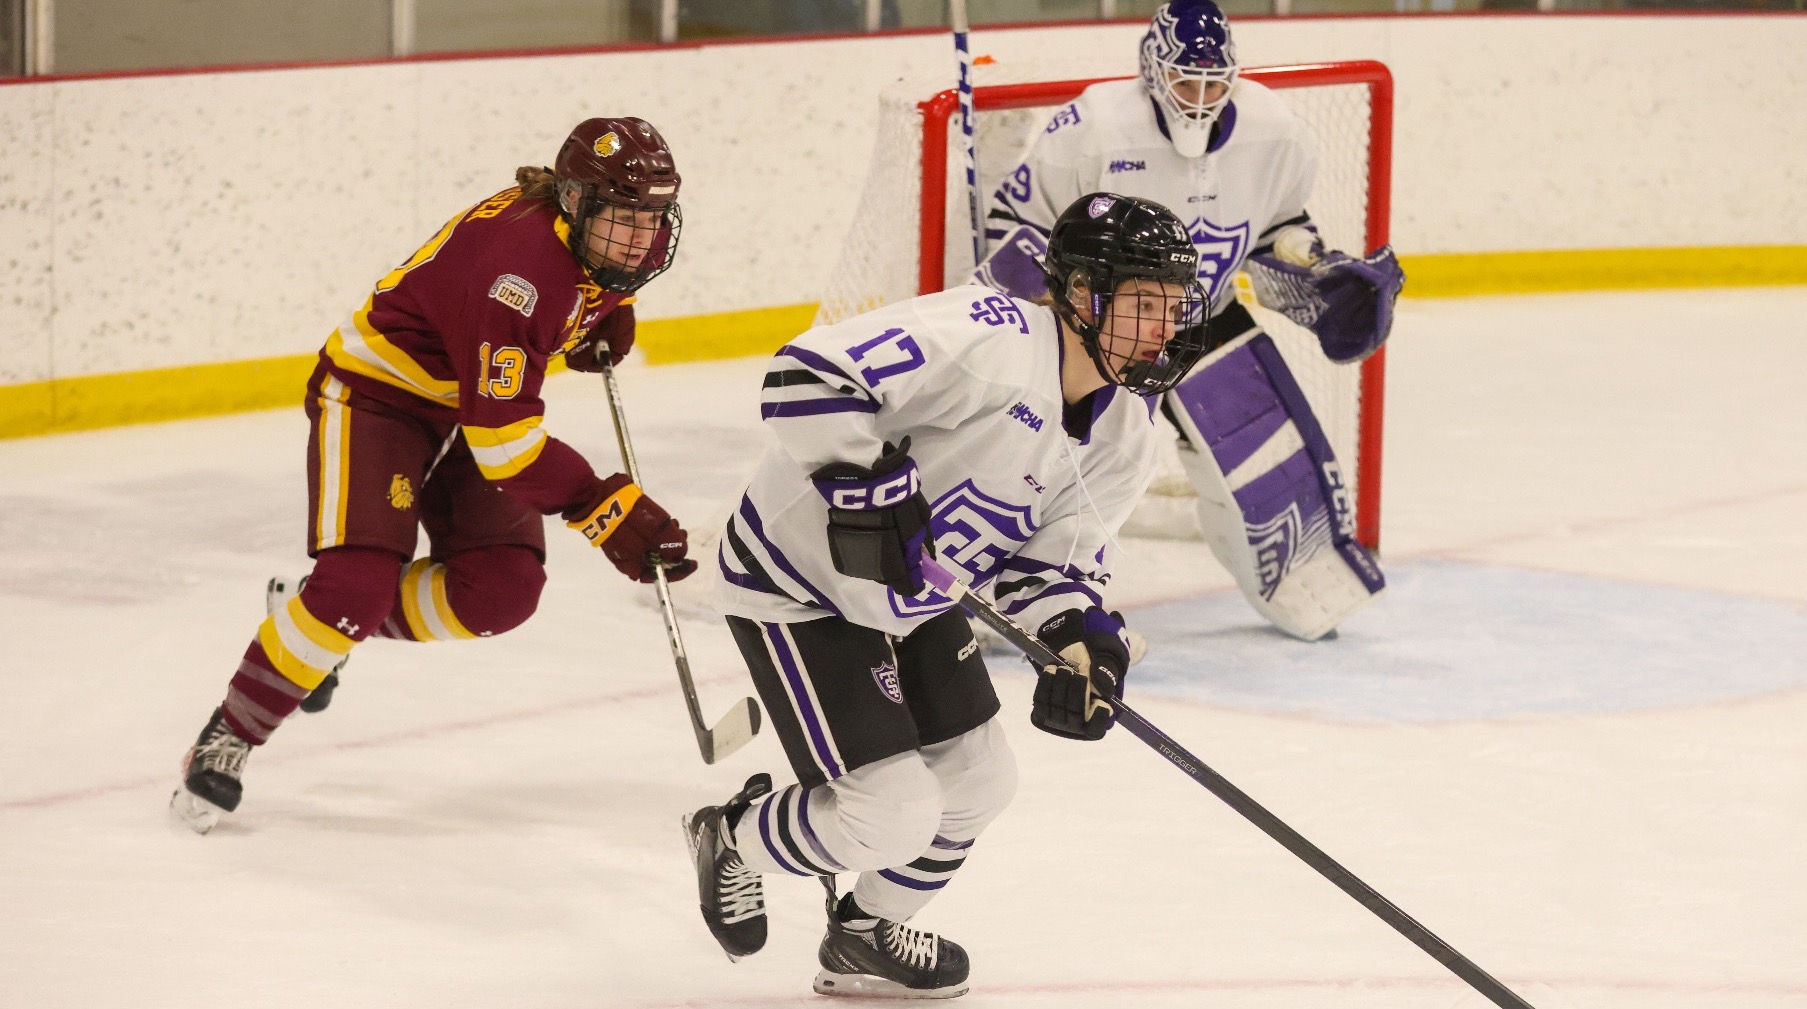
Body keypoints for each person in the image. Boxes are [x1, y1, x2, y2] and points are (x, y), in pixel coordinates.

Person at [682, 192, 1208, 998]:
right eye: (1142, 303)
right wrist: (870, 486)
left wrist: (1079, 638)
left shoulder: (1127, 429)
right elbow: (804, 376)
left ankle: (862, 933)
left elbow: (1053, 565)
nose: (1163, 328)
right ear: (1077, 294)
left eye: (1173, 307)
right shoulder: (987, 339)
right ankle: (733, 836)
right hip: (800, 584)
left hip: (916, 597)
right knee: (888, 812)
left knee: (979, 782)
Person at [169, 116, 698, 834]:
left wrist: (610, 306)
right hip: (379, 397)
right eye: (624, 220)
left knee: (501, 591)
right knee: (356, 586)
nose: (641, 239)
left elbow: (589, 287)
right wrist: (602, 506)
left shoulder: (585, 240)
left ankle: (310, 617)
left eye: (653, 219)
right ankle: (234, 727)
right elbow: (507, 449)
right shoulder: (520, 275)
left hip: (468, 407)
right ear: (574, 203)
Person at [975, 0, 1404, 640]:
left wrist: (1313, 270)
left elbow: (1277, 230)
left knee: (1271, 453)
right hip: (1094, 329)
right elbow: (1012, 228)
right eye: (1185, 79)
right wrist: (1058, 312)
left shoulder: (1275, 130)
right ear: (1152, 70)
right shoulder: (1093, 124)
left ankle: (1300, 577)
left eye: (1212, 81)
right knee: (1052, 458)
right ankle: (1000, 592)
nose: (1198, 96)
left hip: (1200, 315)